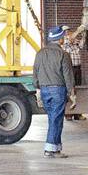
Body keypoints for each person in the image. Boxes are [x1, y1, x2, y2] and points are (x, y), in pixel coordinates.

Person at [34, 26, 76, 158]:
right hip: (58, 90)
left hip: (44, 90)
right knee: (56, 120)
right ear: (60, 39)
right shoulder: (63, 55)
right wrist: (72, 94)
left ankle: (56, 148)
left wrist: (38, 90)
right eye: (64, 36)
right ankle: (50, 149)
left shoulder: (39, 53)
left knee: (53, 119)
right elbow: (68, 76)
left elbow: (35, 73)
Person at [60, 23, 88, 121]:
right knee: (69, 89)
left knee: (78, 89)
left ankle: (78, 114)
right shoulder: (64, 41)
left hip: (77, 67)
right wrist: (79, 30)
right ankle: (68, 113)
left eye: (68, 30)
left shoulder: (74, 41)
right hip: (70, 68)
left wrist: (84, 34)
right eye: (65, 31)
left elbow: (81, 45)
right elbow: (70, 39)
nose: (67, 33)